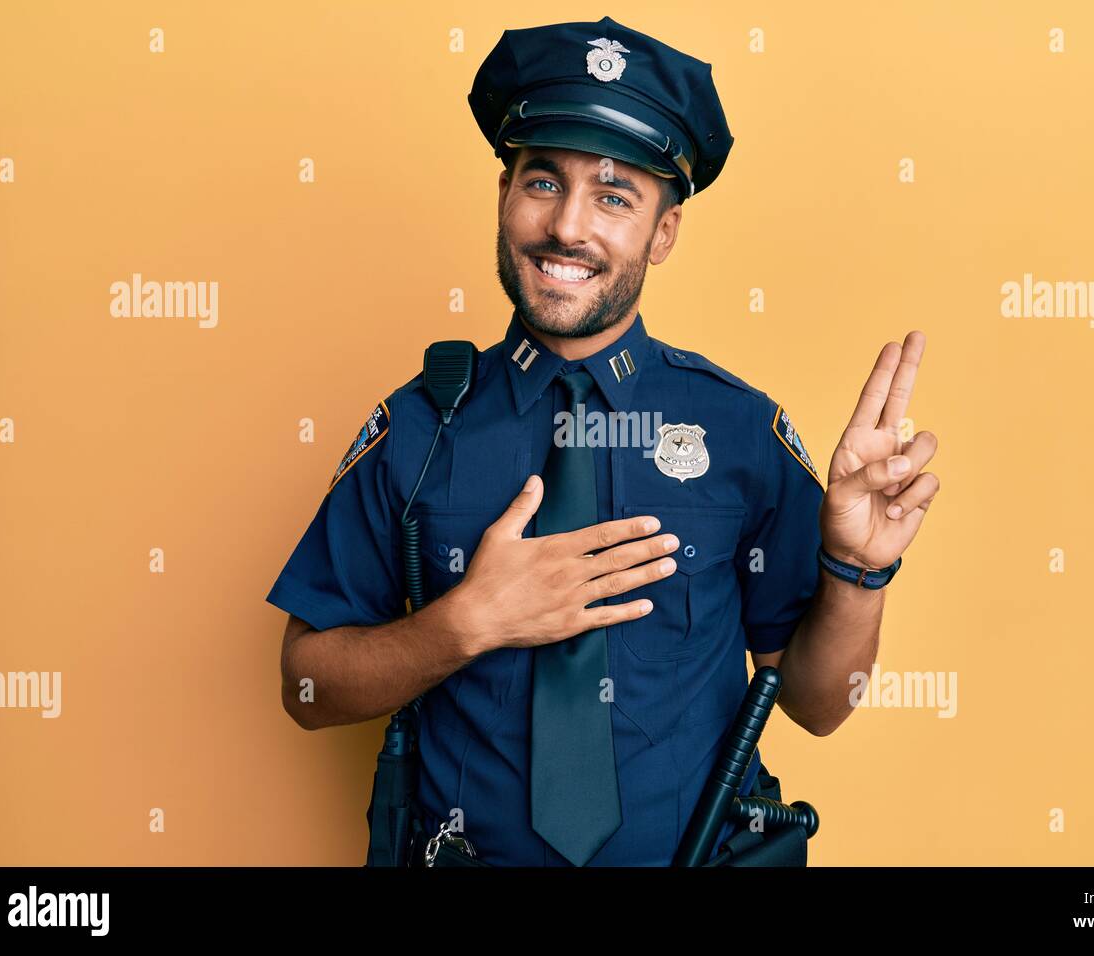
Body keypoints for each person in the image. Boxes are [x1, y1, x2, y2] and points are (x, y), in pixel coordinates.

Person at [265, 15, 940, 867]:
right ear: (504, 196)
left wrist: (857, 570)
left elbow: (817, 704)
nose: (568, 228)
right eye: (542, 183)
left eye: (615, 196)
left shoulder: (738, 429)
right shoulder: (416, 427)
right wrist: (468, 622)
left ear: (664, 233)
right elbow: (306, 687)